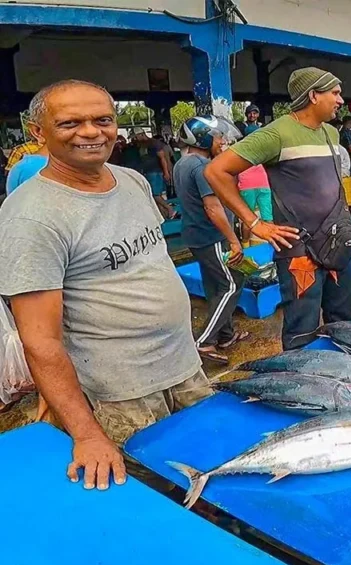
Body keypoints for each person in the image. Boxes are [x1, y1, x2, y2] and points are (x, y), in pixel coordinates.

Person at [0, 79, 208, 489]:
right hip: (120, 392)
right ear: (38, 133)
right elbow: (40, 341)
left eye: (102, 120)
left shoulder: (131, 180)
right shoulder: (31, 219)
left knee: (208, 469)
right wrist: (87, 433)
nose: (91, 132)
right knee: (160, 489)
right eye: (70, 123)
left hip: (184, 365)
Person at [205, 67, 351, 351]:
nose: (340, 100)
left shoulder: (332, 134)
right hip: (299, 252)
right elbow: (217, 171)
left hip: (338, 244)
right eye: (334, 93)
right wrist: (254, 223)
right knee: (302, 329)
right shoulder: (276, 134)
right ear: (313, 95)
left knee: (342, 320)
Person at [174, 116, 249, 364]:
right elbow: (213, 208)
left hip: (195, 236)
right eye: (218, 137)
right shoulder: (201, 168)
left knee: (215, 286)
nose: (222, 141)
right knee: (232, 283)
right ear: (203, 138)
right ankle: (204, 342)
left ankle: (225, 335)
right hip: (212, 236)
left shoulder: (182, 164)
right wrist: (234, 240)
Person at [123, 127, 176, 219]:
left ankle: (169, 208)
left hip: (155, 172)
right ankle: (164, 215)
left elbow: (163, 158)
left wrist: (166, 172)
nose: (134, 139)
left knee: (155, 195)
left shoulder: (153, 143)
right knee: (153, 196)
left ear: (141, 135)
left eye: (136, 137)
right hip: (148, 172)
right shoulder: (141, 145)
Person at [238, 163, 273, 247]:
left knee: (247, 218)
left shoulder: (238, 152)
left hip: (247, 184)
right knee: (268, 218)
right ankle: (273, 244)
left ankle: (245, 246)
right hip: (263, 182)